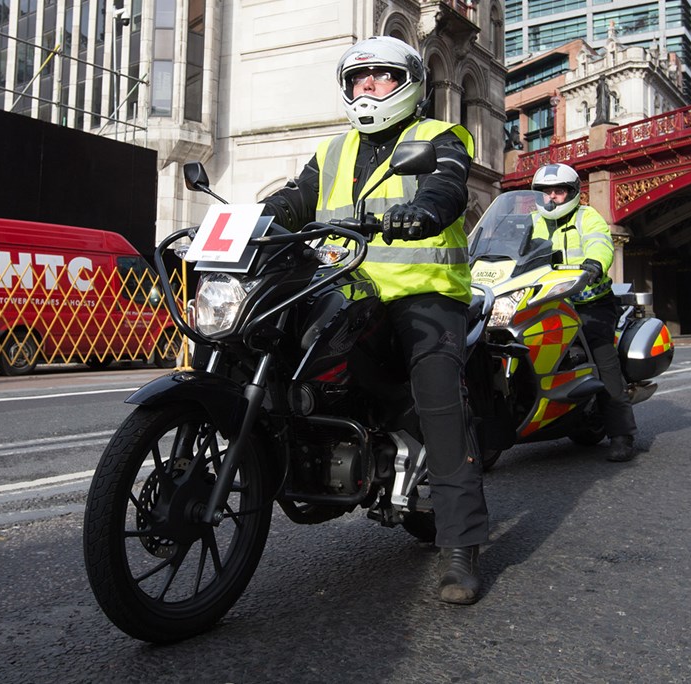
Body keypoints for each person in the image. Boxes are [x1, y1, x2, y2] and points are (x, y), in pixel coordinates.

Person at [259, 36, 489, 605]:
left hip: (424, 294)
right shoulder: (333, 151)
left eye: (382, 76)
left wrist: (427, 210)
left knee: (439, 399)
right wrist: (252, 221)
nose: (367, 87)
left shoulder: (437, 137)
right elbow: (293, 200)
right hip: (345, 289)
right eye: (358, 78)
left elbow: (448, 183)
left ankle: (460, 547)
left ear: (409, 84)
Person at [529, 163, 638, 462]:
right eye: (547, 192)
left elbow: (600, 243)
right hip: (546, 302)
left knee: (603, 357)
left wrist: (593, 264)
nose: (553, 197)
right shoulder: (532, 222)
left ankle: (621, 434)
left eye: (559, 191)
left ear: (573, 193)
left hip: (590, 303)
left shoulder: (587, 217)